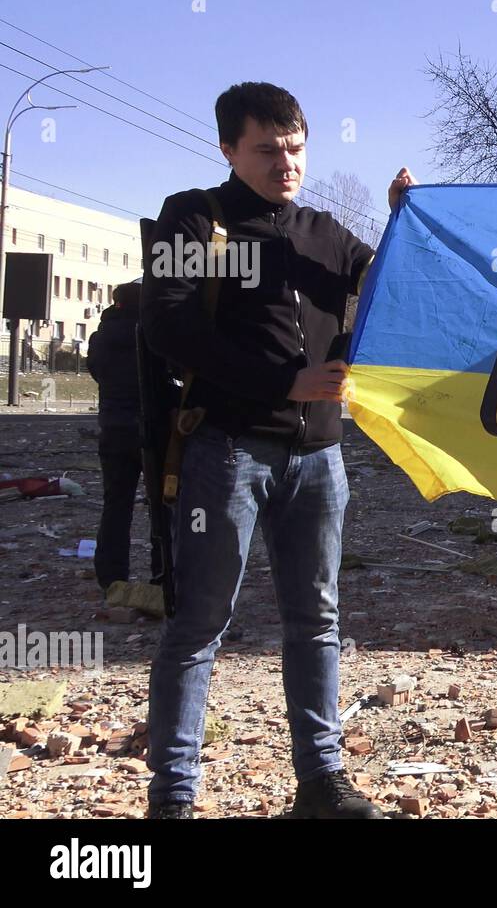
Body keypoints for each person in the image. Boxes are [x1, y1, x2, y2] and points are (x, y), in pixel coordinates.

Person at [141, 81, 415, 819]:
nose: (284, 162)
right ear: (228, 148)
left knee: (316, 619)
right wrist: (284, 381)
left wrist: (405, 222)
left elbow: (388, 283)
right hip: (226, 452)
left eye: (295, 147)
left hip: (320, 460)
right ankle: (171, 799)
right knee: (199, 623)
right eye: (266, 149)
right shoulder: (195, 219)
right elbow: (168, 325)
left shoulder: (324, 231)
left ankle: (321, 781)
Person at [87, 281, 163, 591]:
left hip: (113, 428)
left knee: (116, 505)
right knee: (161, 507)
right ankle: (162, 573)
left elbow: (97, 373)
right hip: (150, 429)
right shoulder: (153, 333)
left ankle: (111, 577)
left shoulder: (99, 338)